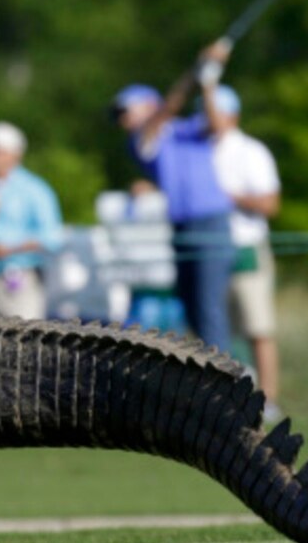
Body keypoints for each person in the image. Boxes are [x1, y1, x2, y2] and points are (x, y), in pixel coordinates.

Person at [112, 41, 236, 353]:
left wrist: (207, 80)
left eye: (125, 110)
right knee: (193, 308)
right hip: (181, 228)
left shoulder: (187, 129)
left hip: (211, 223)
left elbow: (217, 124)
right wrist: (197, 71)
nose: (121, 119)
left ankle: (228, 388)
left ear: (148, 105)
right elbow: (168, 109)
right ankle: (216, 382)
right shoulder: (141, 141)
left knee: (209, 310)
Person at [207, 85, 284, 420]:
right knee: (215, 328)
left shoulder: (251, 152)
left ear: (232, 115)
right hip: (208, 249)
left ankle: (268, 400)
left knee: (258, 326)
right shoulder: (199, 150)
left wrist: (225, 197)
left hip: (245, 248)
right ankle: (224, 396)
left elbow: (270, 203)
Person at [0, 122, 63, 319]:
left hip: (21, 278)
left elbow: (52, 237)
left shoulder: (35, 189)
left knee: (24, 343)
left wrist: (10, 249)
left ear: (15, 154)